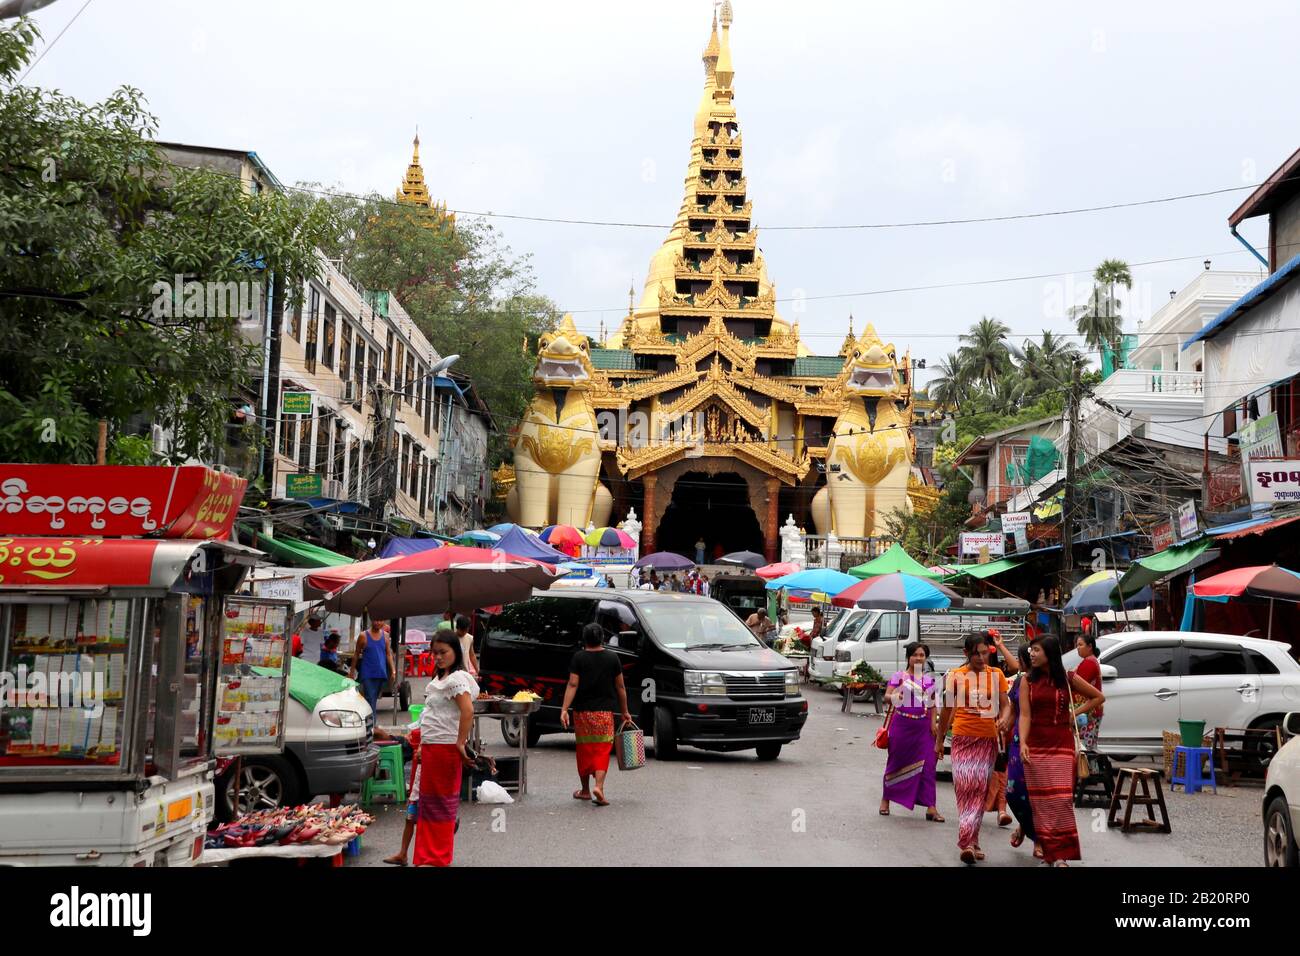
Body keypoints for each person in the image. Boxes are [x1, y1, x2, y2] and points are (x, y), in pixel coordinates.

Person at [1021, 635, 1105, 867]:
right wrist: (1023, 743)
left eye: (1036, 650)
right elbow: (1025, 715)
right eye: (1031, 650)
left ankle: (1060, 855)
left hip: (1061, 745)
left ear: (1049, 652)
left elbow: (1098, 697)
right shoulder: (1027, 680)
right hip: (1036, 746)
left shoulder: (1067, 678)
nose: (1032, 654)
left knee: (1061, 800)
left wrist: (1073, 714)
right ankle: (1050, 853)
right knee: (1041, 803)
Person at [935, 633, 1012, 865]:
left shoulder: (996, 675)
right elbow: (947, 711)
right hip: (962, 738)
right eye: (976, 653)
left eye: (984, 652)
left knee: (979, 791)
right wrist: (939, 741)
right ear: (966, 654)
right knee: (965, 788)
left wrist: (1005, 719)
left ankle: (972, 840)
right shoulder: (956, 676)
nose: (981, 657)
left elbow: (1007, 706)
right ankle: (967, 841)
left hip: (987, 740)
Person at [413, 632, 478, 866]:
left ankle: (438, 857)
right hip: (431, 749)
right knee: (428, 805)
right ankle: (425, 856)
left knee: (441, 806)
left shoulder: (458, 678)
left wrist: (461, 743)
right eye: (435, 652)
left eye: (444, 652)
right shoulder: (440, 679)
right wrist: (422, 745)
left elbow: (467, 711)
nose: (438, 657)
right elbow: (430, 716)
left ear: (455, 652)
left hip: (445, 749)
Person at [560, 623, 632, 806]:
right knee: (602, 749)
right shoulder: (612, 658)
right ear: (602, 638)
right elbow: (620, 687)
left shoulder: (579, 658)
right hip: (604, 713)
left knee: (584, 748)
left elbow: (573, 684)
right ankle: (599, 787)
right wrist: (625, 711)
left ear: (585, 639)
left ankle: (585, 790)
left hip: (582, 713)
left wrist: (564, 709)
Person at [879, 642, 943, 822]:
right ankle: (886, 800)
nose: (919, 658)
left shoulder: (929, 680)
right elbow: (886, 696)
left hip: (924, 729)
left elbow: (933, 705)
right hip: (901, 726)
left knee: (929, 766)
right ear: (909, 656)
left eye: (922, 655)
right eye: (915, 654)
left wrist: (933, 724)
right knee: (895, 762)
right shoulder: (899, 676)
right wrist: (894, 696)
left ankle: (931, 808)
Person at [1005, 645, 1041, 860]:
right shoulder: (1020, 681)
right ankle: (1025, 827)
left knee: (1038, 795)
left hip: (1043, 742)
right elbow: (1013, 709)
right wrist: (1003, 724)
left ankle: (1038, 839)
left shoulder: (1050, 681)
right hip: (1019, 742)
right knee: (1014, 791)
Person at [384, 728, 422, 866]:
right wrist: (412, 793)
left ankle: (422, 857)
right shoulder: (417, 757)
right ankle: (403, 854)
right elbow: (414, 777)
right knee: (409, 819)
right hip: (417, 789)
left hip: (427, 789)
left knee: (427, 822)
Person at [349, 619, 396, 714]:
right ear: (371, 621)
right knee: (370, 698)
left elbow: (388, 654)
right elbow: (356, 654)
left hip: (380, 673)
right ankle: (372, 725)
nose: (378, 623)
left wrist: (393, 670)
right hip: (367, 673)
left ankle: (370, 724)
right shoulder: (363, 636)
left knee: (373, 698)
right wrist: (352, 671)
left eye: (380, 620)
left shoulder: (385, 636)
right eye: (376, 620)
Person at [1073, 632, 1104, 750]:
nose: (1077, 648)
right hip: (1089, 710)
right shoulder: (1091, 660)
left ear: (1090, 646)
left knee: (1085, 749)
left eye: (1080, 645)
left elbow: (1077, 684)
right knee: (1089, 746)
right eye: (1077, 645)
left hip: (1088, 711)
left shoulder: (1089, 663)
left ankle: (1090, 768)